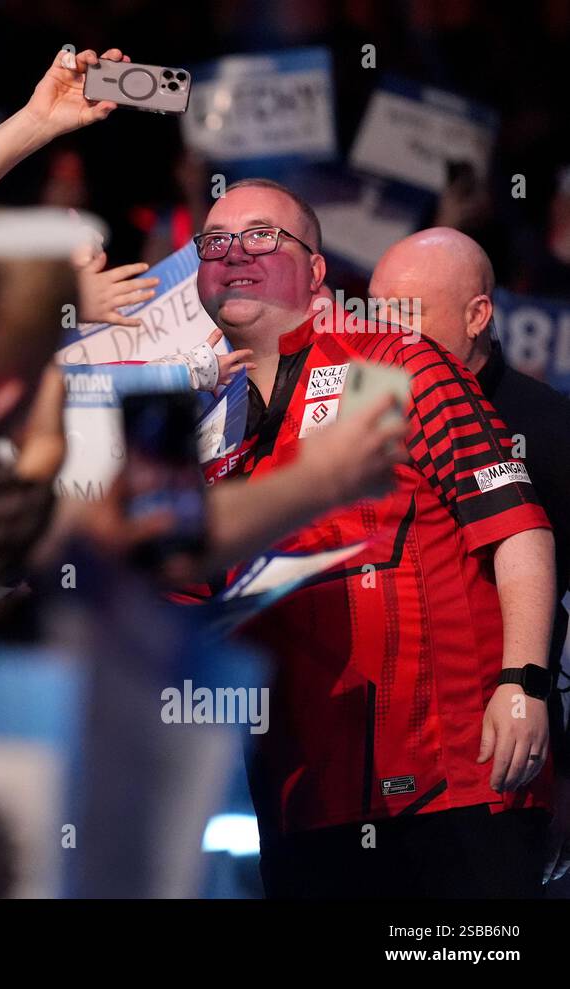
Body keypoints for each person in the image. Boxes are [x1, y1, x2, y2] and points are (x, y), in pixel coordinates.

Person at [193, 179, 557, 898]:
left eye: (263, 235)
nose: (235, 252)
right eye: (216, 242)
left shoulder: (390, 365)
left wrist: (524, 683)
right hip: (302, 806)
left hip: (452, 792)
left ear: (317, 269)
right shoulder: (204, 429)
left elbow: (517, 524)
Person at [370, 227, 570, 884]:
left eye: (406, 317)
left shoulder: (547, 429)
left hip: (506, 763)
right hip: (383, 775)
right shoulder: (355, 419)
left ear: (477, 314)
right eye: (376, 316)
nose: (386, 338)